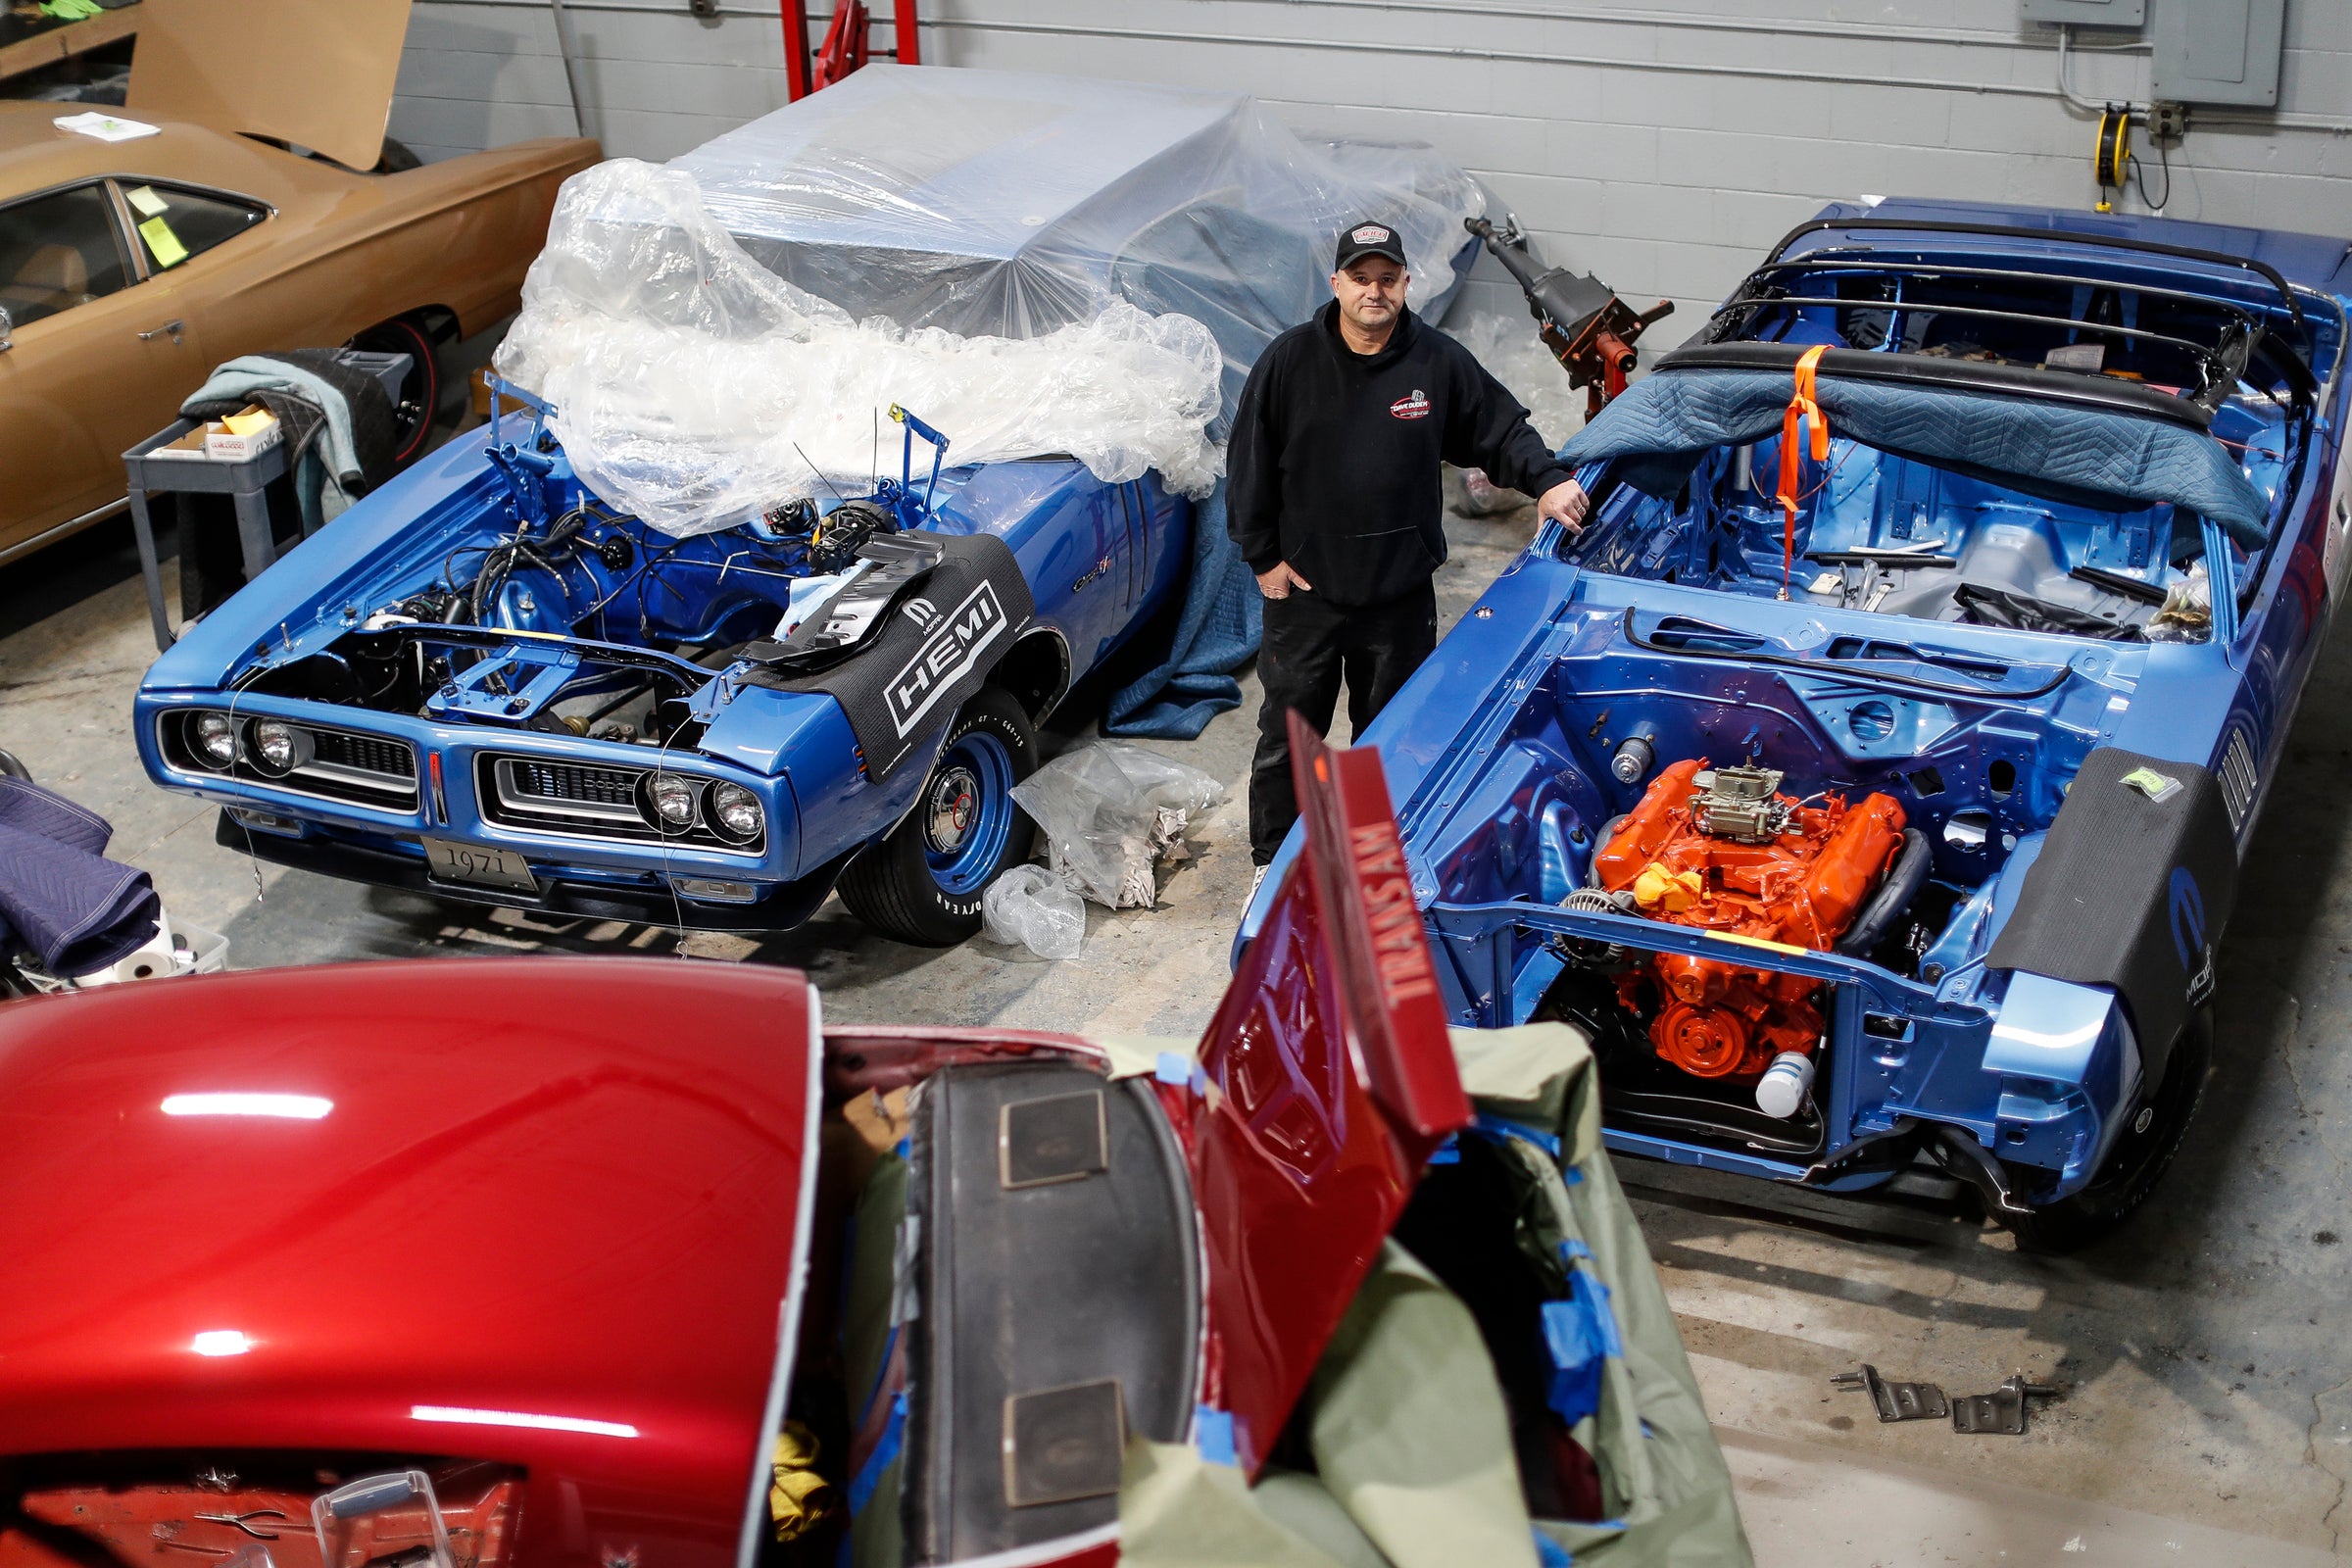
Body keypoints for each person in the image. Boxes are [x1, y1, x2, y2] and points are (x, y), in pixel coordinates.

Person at [1230, 219, 1590, 897]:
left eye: (1387, 279)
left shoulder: (1436, 362)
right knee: (1290, 739)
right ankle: (1273, 867)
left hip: (1397, 595)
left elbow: (1499, 427)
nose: (1375, 291)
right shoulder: (1289, 363)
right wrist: (1263, 560)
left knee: (1390, 741)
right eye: (1361, 278)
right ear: (1336, 284)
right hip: (1306, 592)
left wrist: (1547, 480)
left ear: (1405, 284)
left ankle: (1373, 867)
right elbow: (1247, 465)